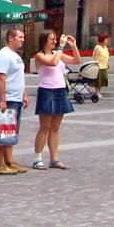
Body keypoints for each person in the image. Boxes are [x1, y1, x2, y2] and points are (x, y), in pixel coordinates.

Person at [32, 30, 80, 170]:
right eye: (51, 39)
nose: (55, 41)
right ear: (44, 41)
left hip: (60, 90)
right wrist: (61, 47)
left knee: (55, 128)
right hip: (47, 91)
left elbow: (76, 61)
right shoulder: (40, 56)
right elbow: (52, 63)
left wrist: (73, 46)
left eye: (55, 39)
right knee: (44, 127)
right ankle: (38, 158)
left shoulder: (57, 53)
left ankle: (54, 159)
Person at [0, 28, 29, 175]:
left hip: (16, 98)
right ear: (11, 38)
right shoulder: (4, 55)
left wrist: (24, 93)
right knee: (0, 132)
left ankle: (9, 162)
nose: (22, 39)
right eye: (20, 37)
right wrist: (2, 100)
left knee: (11, 133)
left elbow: (19, 77)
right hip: (7, 99)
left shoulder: (15, 55)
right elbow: (0, 78)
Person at [92, 34, 110, 99]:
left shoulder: (105, 48)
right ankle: (97, 92)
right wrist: (96, 65)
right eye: (106, 39)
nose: (107, 41)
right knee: (98, 81)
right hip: (99, 66)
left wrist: (107, 63)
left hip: (104, 66)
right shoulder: (97, 47)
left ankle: (99, 91)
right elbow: (95, 57)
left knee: (103, 80)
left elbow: (106, 56)